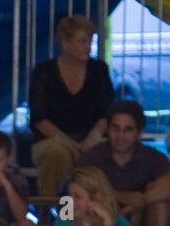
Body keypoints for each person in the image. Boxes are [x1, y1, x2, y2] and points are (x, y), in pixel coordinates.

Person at [77, 100, 170, 226]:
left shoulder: (151, 156)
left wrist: (141, 201)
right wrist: (122, 198)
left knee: (160, 202)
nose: (121, 136)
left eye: (128, 130)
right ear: (108, 130)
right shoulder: (93, 157)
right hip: (100, 221)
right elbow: (79, 190)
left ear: (139, 133)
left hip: (141, 223)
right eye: (115, 129)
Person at [27, 14, 115, 202]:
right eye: (82, 41)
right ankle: (47, 210)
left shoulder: (99, 70)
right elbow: (40, 118)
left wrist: (89, 142)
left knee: (103, 153)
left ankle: (98, 211)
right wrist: (71, 145)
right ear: (65, 43)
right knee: (56, 153)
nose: (88, 46)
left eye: (90, 40)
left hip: (91, 139)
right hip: (52, 140)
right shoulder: (44, 72)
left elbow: (106, 114)